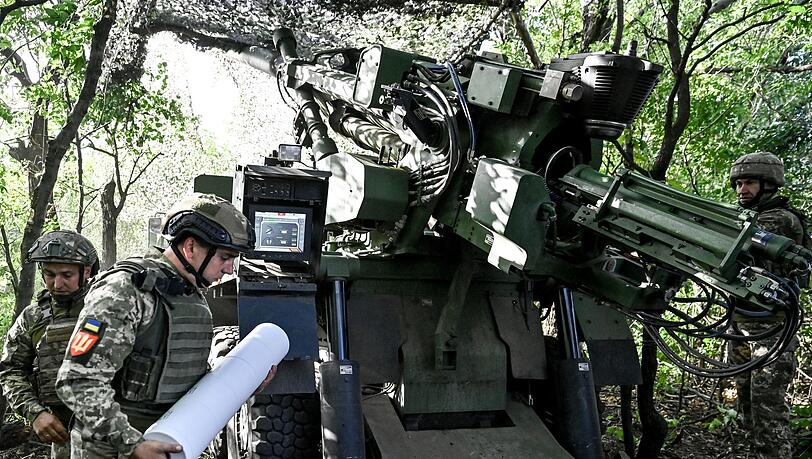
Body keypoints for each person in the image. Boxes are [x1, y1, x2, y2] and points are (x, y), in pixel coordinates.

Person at [56, 193, 271, 458]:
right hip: (112, 450)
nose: (229, 269)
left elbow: (175, 376)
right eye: (225, 257)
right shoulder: (126, 290)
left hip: (169, 442)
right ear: (190, 247)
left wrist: (242, 383)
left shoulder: (188, 293)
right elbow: (77, 381)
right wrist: (132, 443)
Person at [728, 151, 810, 458]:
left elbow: (735, 244)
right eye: (738, 184)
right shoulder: (747, 218)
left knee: (767, 412)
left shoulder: (779, 220)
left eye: (749, 183)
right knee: (747, 407)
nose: (742, 191)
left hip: (772, 330)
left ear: (769, 185)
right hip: (743, 325)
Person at [0, 230, 99, 459]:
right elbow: (10, 369)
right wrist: (36, 413)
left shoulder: (107, 309)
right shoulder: (33, 317)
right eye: (49, 274)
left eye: (66, 275)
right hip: (62, 432)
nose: (57, 284)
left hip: (111, 431)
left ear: (86, 271)